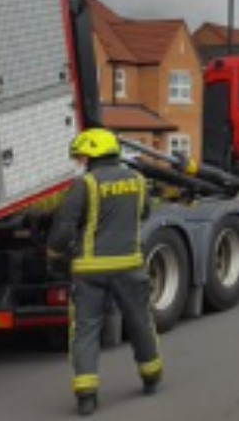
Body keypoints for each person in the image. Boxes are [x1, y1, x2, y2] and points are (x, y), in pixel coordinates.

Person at [47, 128, 163, 417]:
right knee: (139, 322)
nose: (82, 161)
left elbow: (63, 229)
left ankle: (86, 395)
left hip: (91, 270)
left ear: (94, 154)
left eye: (84, 156)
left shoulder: (85, 184)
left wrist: (54, 254)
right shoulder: (138, 181)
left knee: (86, 330)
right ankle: (151, 375)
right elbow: (145, 213)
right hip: (129, 265)